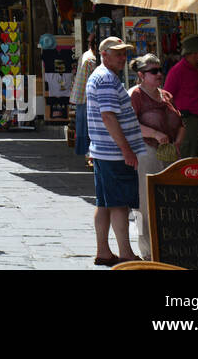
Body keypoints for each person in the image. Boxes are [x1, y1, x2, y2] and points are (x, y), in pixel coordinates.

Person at [86, 37, 145, 266]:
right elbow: (108, 117)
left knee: (104, 203)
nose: (123, 57)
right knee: (119, 204)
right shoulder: (107, 79)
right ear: (104, 55)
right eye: (118, 53)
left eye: (124, 53)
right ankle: (126, 254)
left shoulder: (102, 77)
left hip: (103, 152)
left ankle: (103, 251)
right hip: (113, 154)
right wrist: (126, 150)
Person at [129, 53, 184, 260]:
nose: (159, 74)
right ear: (142, 75)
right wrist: (155, 134)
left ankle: (167, 246)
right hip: (147, 152)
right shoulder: (135, 95)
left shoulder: (166, 95)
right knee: (145, 202)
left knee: (169, 201)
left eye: (160, 70)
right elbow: (131, 125)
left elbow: (180, 122)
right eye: (154, 71)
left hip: (170, 154)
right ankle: (148, 251)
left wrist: (178, 140)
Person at [164, 34, 198, 159]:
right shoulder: (177, 71)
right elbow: (166, 97)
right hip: (187, 121)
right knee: (188, 157)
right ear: (194, 52)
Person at [69, 32, 99, 161]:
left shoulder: (86, 55)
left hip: (81, 94)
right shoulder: (92, 59)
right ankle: (87, 151)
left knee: (82, 123)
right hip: (87, 95)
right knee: (87, 124)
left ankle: (82, 150)